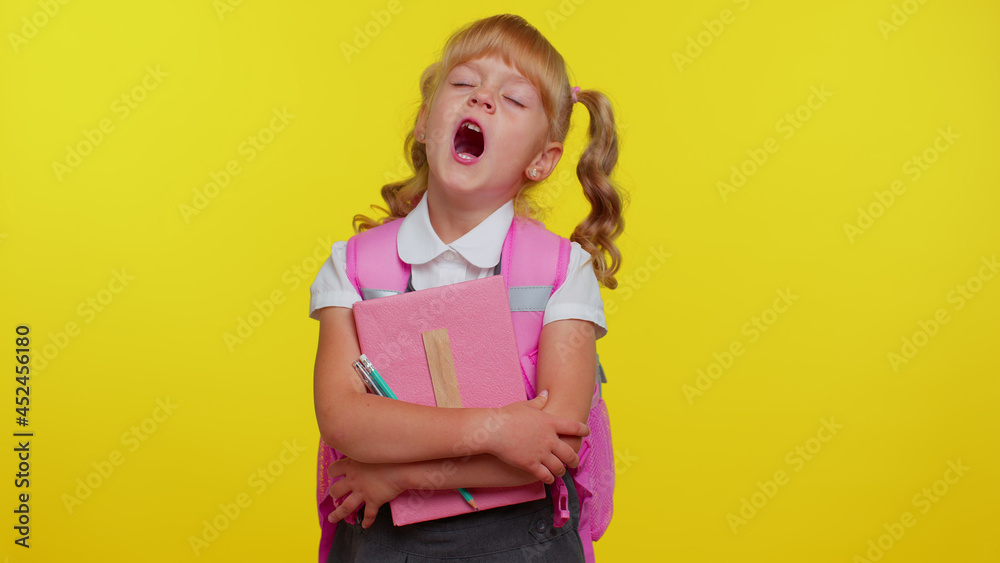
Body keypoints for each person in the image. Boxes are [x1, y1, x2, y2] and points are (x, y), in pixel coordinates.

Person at [309, 13, 626, 562]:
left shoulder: (561, 272)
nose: (481, 99)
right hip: (385, 544)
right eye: (463, 83)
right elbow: (343, 417)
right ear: (426, 123)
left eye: (514, 99)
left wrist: (398, 477)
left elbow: (556, 446)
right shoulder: (352, 268)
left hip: (524, 542)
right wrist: (498, 429)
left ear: (542, 161)